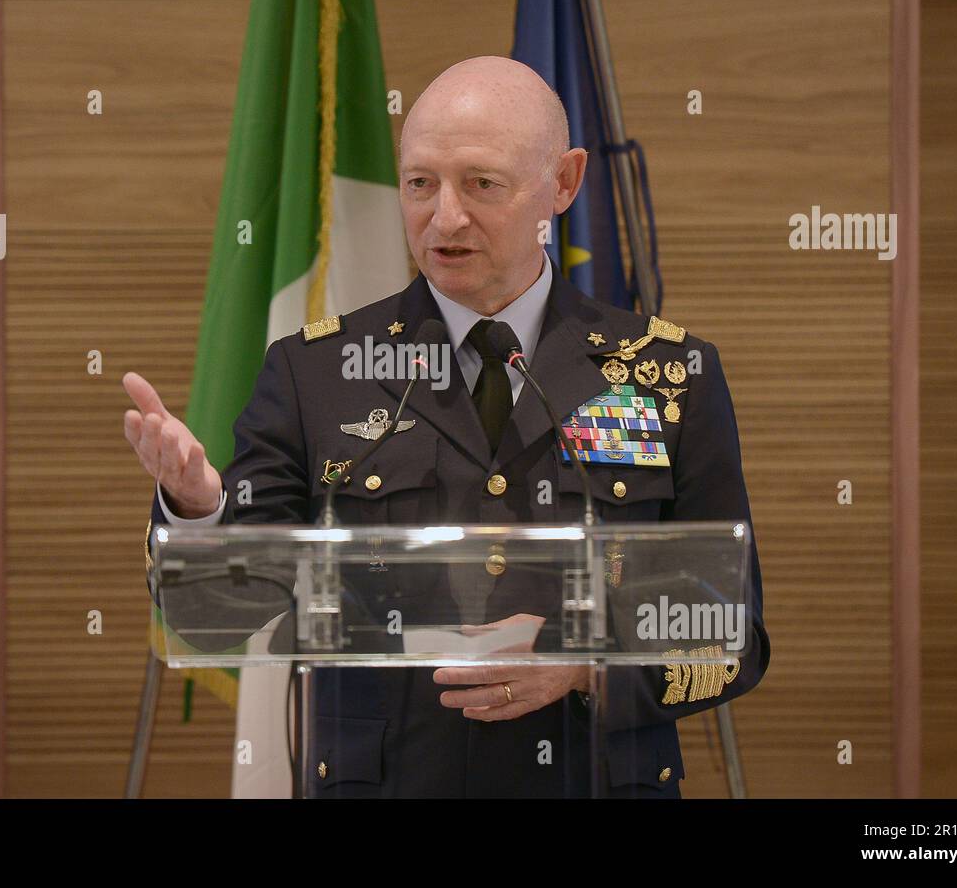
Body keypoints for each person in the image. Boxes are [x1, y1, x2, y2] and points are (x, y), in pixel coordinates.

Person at [123, 56, 769, 797]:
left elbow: (731, 639)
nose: (445, 217)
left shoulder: (666, 376)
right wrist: (199, 511)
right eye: (420, 184)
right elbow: (213, 621)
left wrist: (587, 663)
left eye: (482, 184)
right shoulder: (317, 374)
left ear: (563, 183)